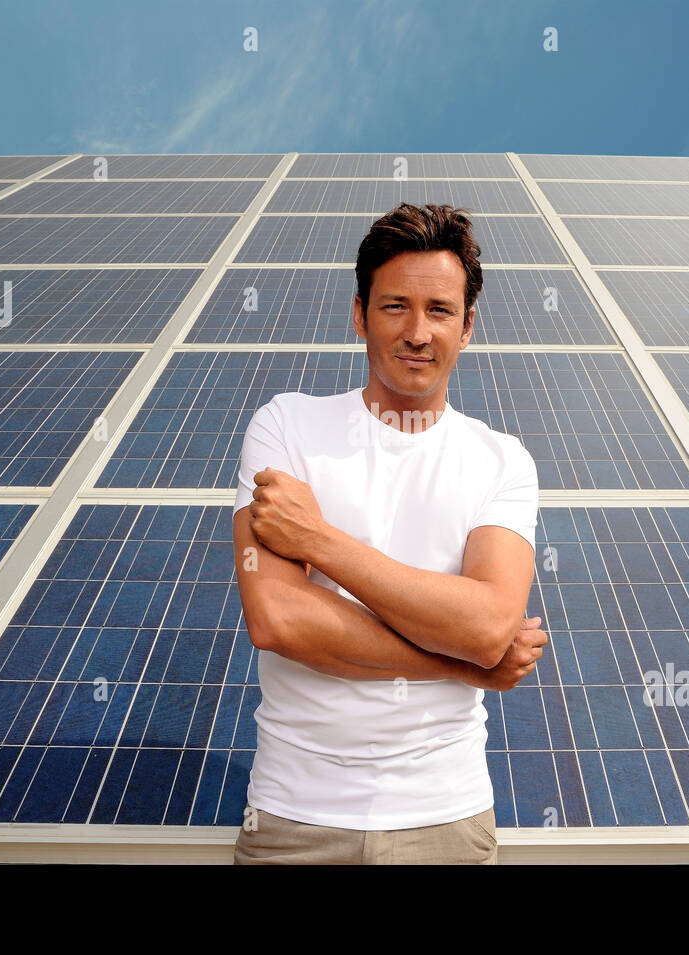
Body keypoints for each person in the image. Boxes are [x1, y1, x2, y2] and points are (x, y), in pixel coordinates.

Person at [230, 202, 547, 865]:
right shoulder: (286, 426)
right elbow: (279, 618)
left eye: (439, 310)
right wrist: (461, 663)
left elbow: (490, 624)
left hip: (447, 819)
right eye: (394, 306)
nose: (417, 331)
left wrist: (320, 542)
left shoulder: (503, 460)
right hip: (293, 815)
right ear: (358, 315)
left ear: (467, 328)